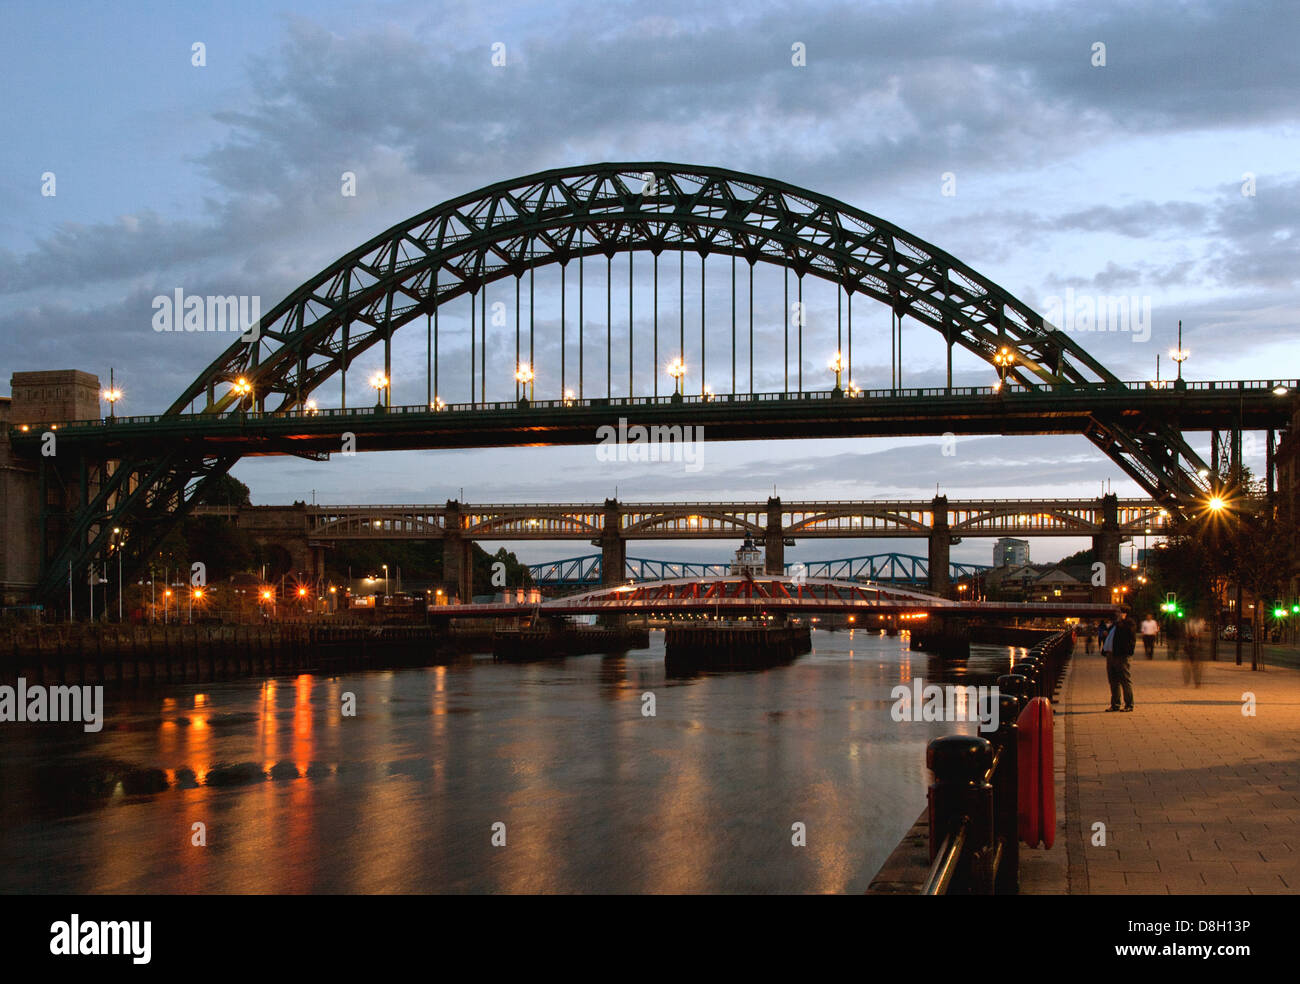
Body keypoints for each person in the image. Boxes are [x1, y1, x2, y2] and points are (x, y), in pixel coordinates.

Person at [1104, 608, 1136, 712]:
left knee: (1124, 680)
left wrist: (1122, 621)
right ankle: (1115, 704)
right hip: (1111, 655)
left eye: (1118, 612)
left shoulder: (1128, 623)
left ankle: (1129, 704)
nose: (1116, 614)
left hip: (1121, 656)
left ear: (1124, 614)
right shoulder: (1115, 624)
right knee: (1113, 681)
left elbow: (1130, 636)